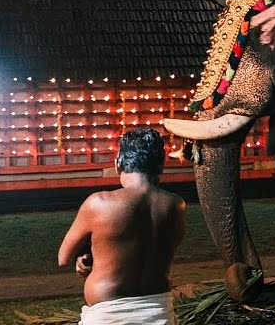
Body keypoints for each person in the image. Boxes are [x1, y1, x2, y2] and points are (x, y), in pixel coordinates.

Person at [58, 128, 187, 325]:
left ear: (118, 163)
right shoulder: (176, 205)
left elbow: (63, 257)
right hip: (158, 312)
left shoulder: (99, 202)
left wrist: (86, 254)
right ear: (160, 167)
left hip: (108, 316)